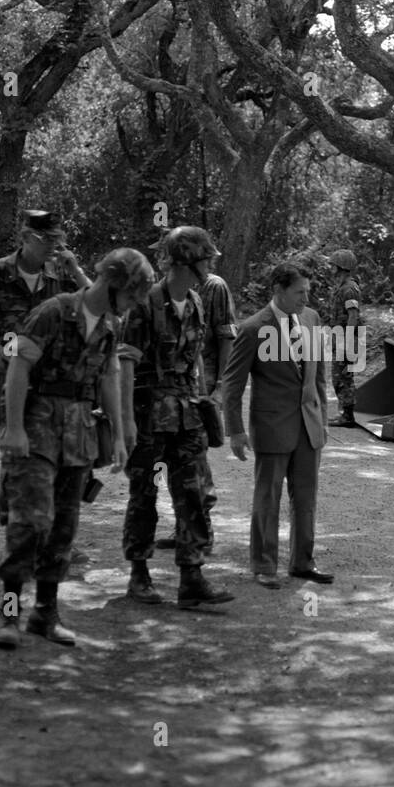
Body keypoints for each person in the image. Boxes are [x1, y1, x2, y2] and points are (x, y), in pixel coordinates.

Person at [0, 248, 152, 648]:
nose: (134, 304)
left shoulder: (111, 326)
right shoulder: (54, 311)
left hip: (78, 432)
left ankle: (46, 614)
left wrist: (117, 434)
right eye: (132, 295)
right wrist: (13, 428)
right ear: (115, 285)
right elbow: (18, 367)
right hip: (38, 425)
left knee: (63, 527)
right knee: (30, 522)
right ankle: (9, 614)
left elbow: (109, 377)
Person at [0, 209, 91, 529]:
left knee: (54, 458)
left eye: (58, 240)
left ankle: (47, 534)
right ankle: (15, 527)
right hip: (10, 376)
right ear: (26, 238)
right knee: (15, 453)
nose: (53, 247)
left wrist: (77, 270)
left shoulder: (62, 273)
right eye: (46, 240)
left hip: (53, 382)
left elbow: (100, 305)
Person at [119, 226, 235, 608]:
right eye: (206, 257)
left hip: (186, 416)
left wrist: (205, 398)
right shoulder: (144, 304)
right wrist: (126, 424)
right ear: (186, 259)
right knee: (145, 495)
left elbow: (196, 358)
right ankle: (139, 574)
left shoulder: (198, 303)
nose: (211, 263)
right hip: (149, 418)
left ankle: (191, 577)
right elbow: (124, 365)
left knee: (193, 494)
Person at [221, 260, 333, 588]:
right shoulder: (254, 327)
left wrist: (322, 422)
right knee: (267, 498)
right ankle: (264, 566)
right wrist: (236, 431)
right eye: (299, 292)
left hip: (308, 428)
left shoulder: (312, 319)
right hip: (272, 428)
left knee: (306, 498)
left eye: (308, 292)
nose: (305, 299)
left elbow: (319, 377)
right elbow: (232, 383)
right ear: (279, 291)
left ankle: (302, 562)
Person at [155, 267, 236, 555]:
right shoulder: (163, 288)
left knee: (197, 459)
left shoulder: (213, 286)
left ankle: (202, 532)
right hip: (175, 391)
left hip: (203, 383)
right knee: (176, 459)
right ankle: (184, 527)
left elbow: (226, 336)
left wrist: (219, 387)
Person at [326, 248, 363, 427]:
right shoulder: (341, 287)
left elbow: (353, 315)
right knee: (338, 376)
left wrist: (348, 342)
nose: (330, 267)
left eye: (333, 264)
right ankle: (345, 413)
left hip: (346, 339)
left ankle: (348, 416)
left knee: (343, 377)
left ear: (341, 266)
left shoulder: (349, 289)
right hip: (339, 337)